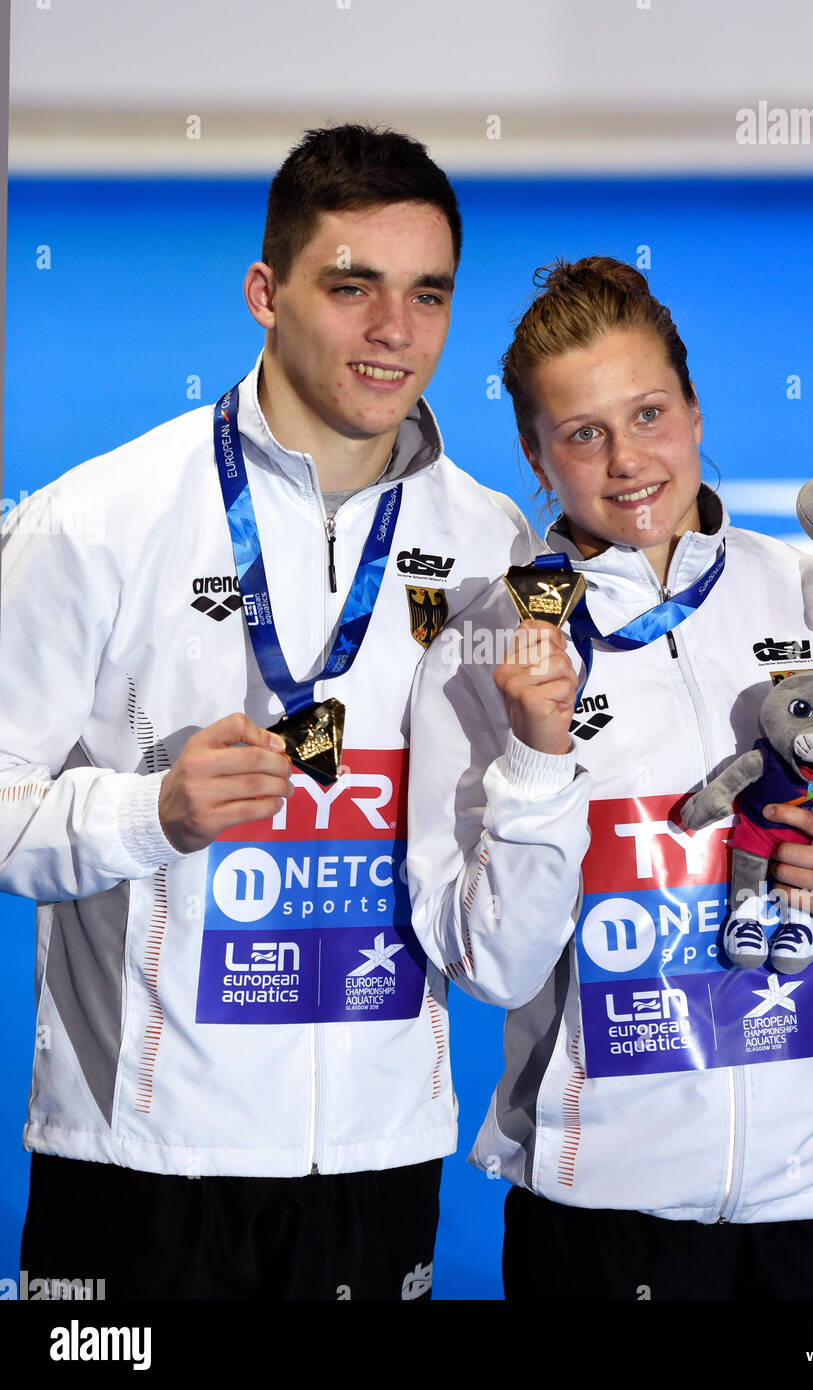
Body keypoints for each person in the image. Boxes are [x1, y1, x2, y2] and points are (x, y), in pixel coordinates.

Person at [0, 124, 536, 1300]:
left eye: (427, 294)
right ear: (265, 292)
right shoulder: (97, 519)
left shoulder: (493, 542)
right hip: (141, 1161)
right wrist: (151, 814)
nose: (395, 331)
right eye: (352, 287)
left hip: (377, 1158)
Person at [407, 257, 813, 1300]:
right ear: (534, 453)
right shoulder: (481, 650)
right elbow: (494, 967)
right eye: (582, 433)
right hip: (603, 1216)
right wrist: (535, 758)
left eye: (649, 411)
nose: (626, 461)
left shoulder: (812, 594)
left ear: (696, 411)